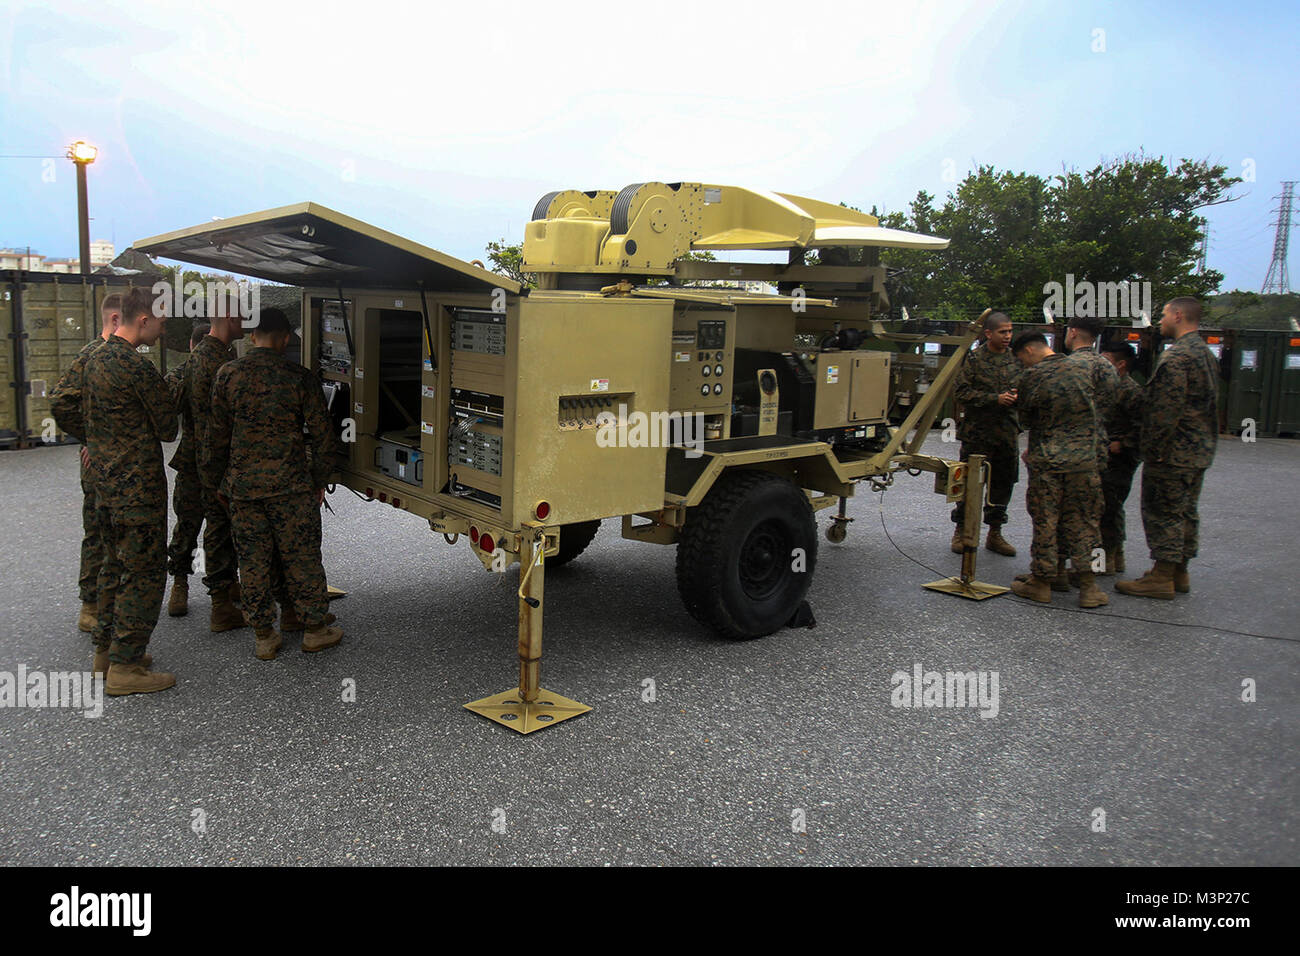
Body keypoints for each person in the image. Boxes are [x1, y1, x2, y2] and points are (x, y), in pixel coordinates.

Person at [207, 308, 343, 660]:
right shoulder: (299, 377)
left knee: (252, 560)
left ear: (252, 336)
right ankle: (313, 628)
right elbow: (322, 435)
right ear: (284, 338)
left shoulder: (227, 375)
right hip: (292, 487)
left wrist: (219, 483)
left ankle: (264, 635)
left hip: (243, 489)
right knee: (302, 557)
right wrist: (319, 481)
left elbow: (215, 438)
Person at [82, 287, 178, 694]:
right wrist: (172, 388)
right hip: (137, 491)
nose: (162, 330)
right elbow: (168, 427)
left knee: (112, 568)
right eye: (160, 322)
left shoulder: (93, 358)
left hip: (103, 487)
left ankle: (106, 653)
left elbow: (71, 407)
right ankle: (126, 668)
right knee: (143, 573)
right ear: (143, 320)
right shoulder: (136, 368)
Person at [1116, 297, 1218, 599]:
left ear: (1177, 315)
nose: (1160, 322)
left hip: (1172, 452)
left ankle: (1161, 576)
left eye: (1162, 316)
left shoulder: (1176, 359)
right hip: (1198, 449)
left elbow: (1164, 411)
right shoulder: (1205, 354)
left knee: (1164, 511)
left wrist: (1152, 448)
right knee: (1186, 510)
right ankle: (1179, 571)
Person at [1008, 331, 1107, 608]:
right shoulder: (1084, 367)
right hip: (1085, 460)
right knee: (1083, 521)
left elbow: (1025, 419)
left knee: (1046, 520)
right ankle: (1088, 587)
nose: (1022, 365)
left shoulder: (1033, 376)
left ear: (1028, 350)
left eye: (1021, 359)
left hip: (1047, 460)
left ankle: (1042, 582)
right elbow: (1106, 403)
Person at [49, 293, 121, 632]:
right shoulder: (92, 355)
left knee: (116, 534)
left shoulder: (119, 356)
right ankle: (90, 605)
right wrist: (91, 437)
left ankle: (112, 603)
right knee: (97, 533)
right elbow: (61, 401)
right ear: (116, 319)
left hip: (120, 464)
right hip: (99, 465)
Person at [187, 308, 249, 631]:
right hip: (218, 458)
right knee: (220, 530)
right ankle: (221, 606)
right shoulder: (216, 361)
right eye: (240, 317)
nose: (245, 323)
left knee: (220, 527)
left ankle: (227, 590)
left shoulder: (206, 354)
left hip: (208, 456)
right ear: (226, 317)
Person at [951, 310, 1021, 556]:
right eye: (1003, 332)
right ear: (988, 333)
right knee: (969, 483)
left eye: (1010, 331)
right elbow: (961, 392)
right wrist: (994, 399)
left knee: (1002, 484)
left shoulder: (1017, 360)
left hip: (1007, 435)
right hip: (977, 435)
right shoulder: (974, 360)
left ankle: (995, 533)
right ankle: (962, 530)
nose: (1008, 336)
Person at [162, 323, 209, 616]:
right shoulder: (181, 374)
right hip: (192, 463)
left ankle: (225, 585)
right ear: (194, 348)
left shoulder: (225, 371)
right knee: (187, 525)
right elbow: (166, 406)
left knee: (223, 531)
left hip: (222, 461)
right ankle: (180, 582)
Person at [1098, 342, 1143, 574]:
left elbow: (1143, 427)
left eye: (1106, 361)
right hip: (1107, 453)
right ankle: (1116, 557)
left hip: (1120, 458)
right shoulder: (1111, 386)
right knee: (1110, 507)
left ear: (1121, 364)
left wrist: (1121, 444)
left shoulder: (1131, 391)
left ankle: (1103, 562)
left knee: (1108, 508)